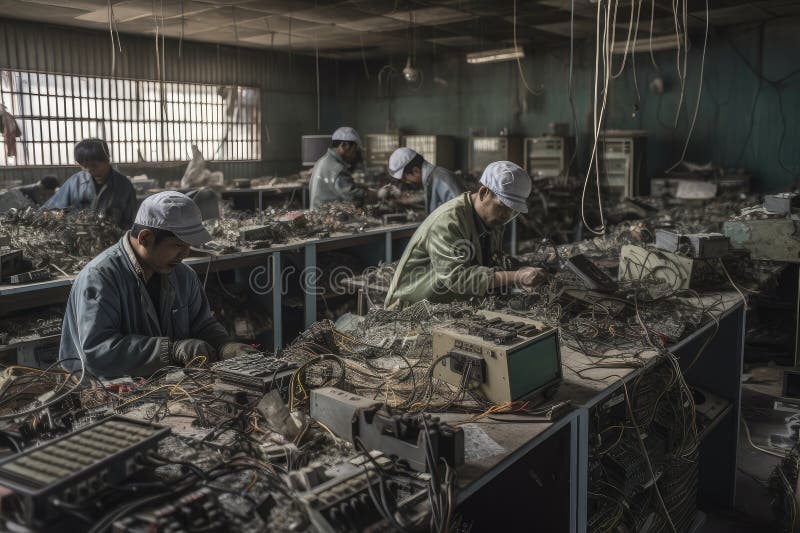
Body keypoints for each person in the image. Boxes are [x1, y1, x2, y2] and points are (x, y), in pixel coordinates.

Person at [59, 191, 256, 378]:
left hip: (164, 381)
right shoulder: (100, 277)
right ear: (145, 238)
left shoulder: (183, 275)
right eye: (178, 245)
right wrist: (170, 351)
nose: (185, 254)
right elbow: (97, 351)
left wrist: (224, 346)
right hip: (102, 386)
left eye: (189, 246)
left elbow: (202, 324)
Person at [384, 161, 546, 308]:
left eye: (513, 210)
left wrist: (521, 268)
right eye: (502, 206)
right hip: (413, 307)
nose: (507, 215)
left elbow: (491, 260)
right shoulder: (448, 221)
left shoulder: (494, 221)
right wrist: (516, 276)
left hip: (449, 305)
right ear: (484, 192)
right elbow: (457, 278)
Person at [42, 138, 136, 227]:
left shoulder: (124, 186)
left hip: (114, 237)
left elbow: (132, 222)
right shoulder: (74, 183)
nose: (89, 170)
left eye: (93, 165)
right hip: (78, 236)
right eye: (84, 166)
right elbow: (48, 210)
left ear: (106, 160)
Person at [309, 127, 375, 209]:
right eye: (354, 150)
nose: (354, 155)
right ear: (344, 145)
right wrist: (373, 194)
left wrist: (359, 186)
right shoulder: (336, 167)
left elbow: (338, 185)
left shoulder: (322, 160)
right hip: (326, 215)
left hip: (317, 211)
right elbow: (350, 194)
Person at [386, 147, 466, 213]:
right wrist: (410, 200)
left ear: (416, 171)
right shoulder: (432, 179)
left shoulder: (441, 179)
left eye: (405, 178)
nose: (406, 182)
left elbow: (463, 211)